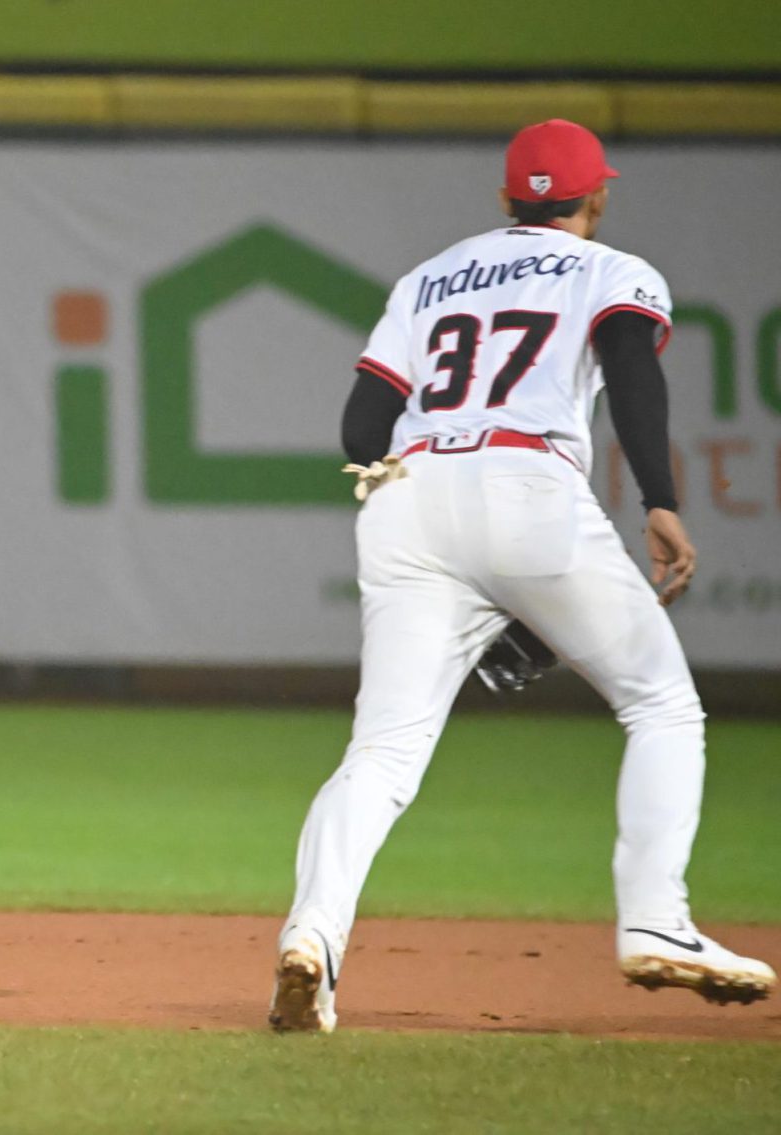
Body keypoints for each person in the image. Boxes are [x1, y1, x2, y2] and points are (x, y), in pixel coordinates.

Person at [268, 119, 772, 1032]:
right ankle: (657, 922)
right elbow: (629, 372)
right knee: (662, 705)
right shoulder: (613, 268)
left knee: (380, 755)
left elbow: (360, 430)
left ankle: (310, 939)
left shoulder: (428, 278)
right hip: (529, 482)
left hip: (408, 494)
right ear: (597, 197)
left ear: (506, 200)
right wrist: (659, 499)